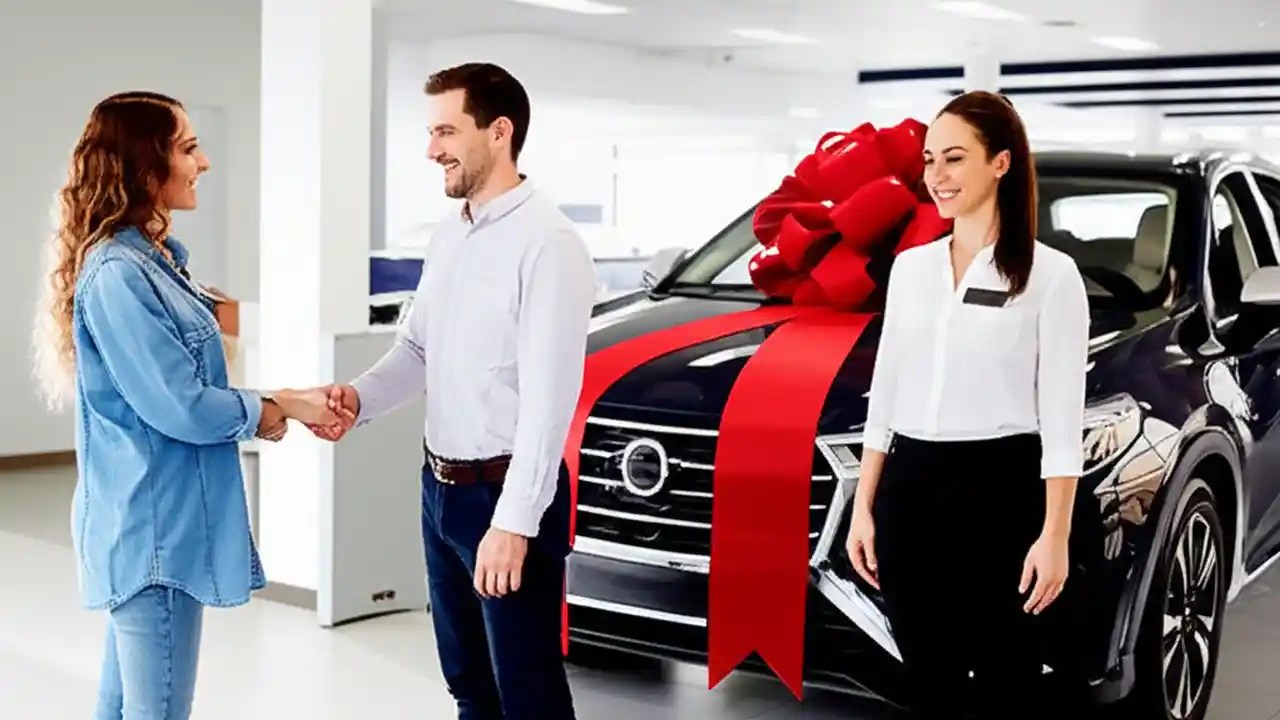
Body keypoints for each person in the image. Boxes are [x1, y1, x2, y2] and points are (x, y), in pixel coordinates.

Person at [31, 90, 347, 719]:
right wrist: (277, 406)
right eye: (188, 149)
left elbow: (206, 353)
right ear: (145, 164)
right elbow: (181, 406)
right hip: (154, 533)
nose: (203, 163)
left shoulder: (156, 261)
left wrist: (288, 398)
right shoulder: (120, 273)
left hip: (155, 524)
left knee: (123, 706)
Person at [311, 63, 596, 720]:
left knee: (527, 696)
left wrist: (514, 523)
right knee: (468, 685)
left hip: (505, 495)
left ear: (499, 132)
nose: (431, 149)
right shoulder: (449, 235)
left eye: (445, 131)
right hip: (440, 492)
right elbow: (418, 350)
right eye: (430, 132)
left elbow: (550, 401)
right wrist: (357, 400)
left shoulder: (549, 243)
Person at [843, 91, 1091, 718]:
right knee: (929, 681)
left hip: (1001, 492)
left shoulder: (1051, 276)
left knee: (1006, 681)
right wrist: (863, 506)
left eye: (954, 158)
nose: (937, 176)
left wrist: (1055, 535)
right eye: (930, 160)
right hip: (909, 490)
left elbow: (1063, 420)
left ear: (1001, 163)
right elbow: (886, 396)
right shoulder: (910, 270)